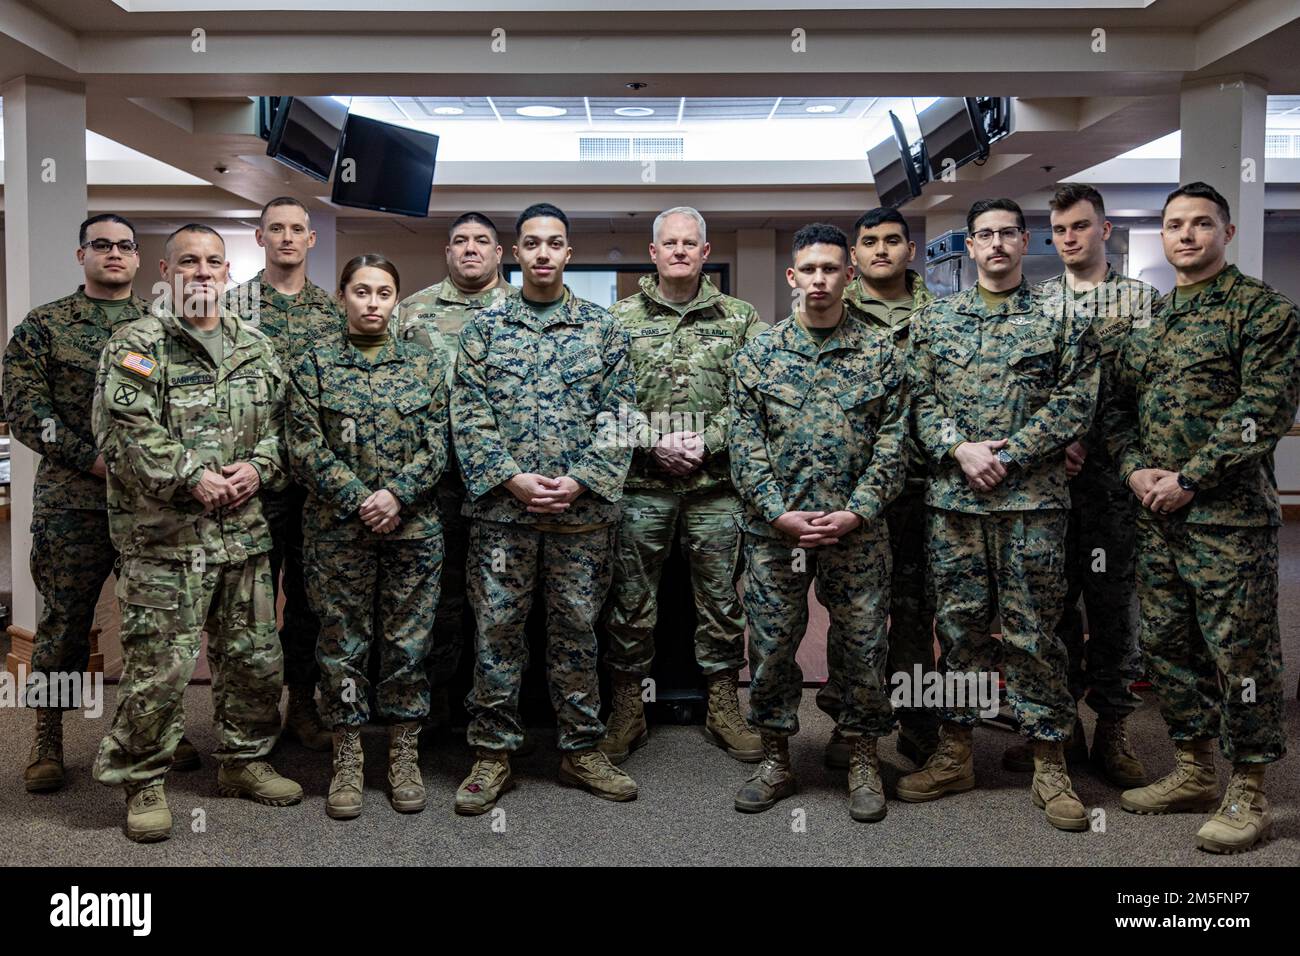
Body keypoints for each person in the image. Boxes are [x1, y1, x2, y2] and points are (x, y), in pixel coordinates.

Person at [92, 223, 301, 843]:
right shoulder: (136, 345)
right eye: (189, 262)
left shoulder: (256, 346)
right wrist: (193, 476)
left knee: (255, 659)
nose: (203, 272)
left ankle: (244, 762)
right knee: (159, 666)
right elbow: (126, 435)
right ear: (166, 272)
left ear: (227, 272)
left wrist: (260, 468)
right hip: (166, 539)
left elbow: (285, 428)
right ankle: (144, 779)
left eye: (214, 262)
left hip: (244, 535)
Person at [1106, 181, 1299, 854]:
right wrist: (1134, 469)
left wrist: (1191, 479)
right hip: (1157, 517)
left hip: (1229, 520)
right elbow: (1118, 413)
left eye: (1200, 223)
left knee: (1239, 655)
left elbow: (1265, 411)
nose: (1186, 234)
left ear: (1227, 233)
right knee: (1167, 648)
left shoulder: (1263, 312)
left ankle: (1248, 788)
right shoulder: (1152, 320)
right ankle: (1193, 768)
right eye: (1175, 224)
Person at [902, 198, 1099, 832]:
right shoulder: (937, 321)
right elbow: (918, 400)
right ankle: (955, 751)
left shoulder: (1062, 317)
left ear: (1025, 241)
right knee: (957, 632)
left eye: (1007, 234)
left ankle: (1050, 762)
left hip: (1031, 506)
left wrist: (1008, 454)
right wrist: (959, 449)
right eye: (983, 235)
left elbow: (1076, 404)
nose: (995, 245)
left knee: (1035, 633)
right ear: (968, 244)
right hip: (956, 504)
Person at [3, 214, 204, 791]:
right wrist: (92, 458)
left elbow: (185, 413)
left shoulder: (164, 328)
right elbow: (25, 411)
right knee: (65, 625)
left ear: (140, 259)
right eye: (101, 245)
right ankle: (47, 737)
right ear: (81, 254)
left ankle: (155, 726)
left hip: (150, 505)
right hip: (75, 503)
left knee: (153, 624)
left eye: (124, 246)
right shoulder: (45, 327)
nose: (113, 254)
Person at [451, 202, 637, 814]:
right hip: (504, 517)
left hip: (580, 519)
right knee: (497, 630)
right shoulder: (484, 329)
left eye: (553, 243)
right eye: (531, 243)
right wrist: (510, 478)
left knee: (577, 631)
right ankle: (493, 752)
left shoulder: (605, 329)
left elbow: (623, 414)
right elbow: (467, 415)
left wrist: (581, 480)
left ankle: (581, 747)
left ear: (568, 253)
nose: (542, 254)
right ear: (516, 251)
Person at [730, 223, 907, 822]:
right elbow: (744, 442)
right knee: (774, 647)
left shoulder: (882, 352)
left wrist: (858, 509)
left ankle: (861, 755)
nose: (820, 280)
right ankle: (777, 757)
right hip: (775, 533)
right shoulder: (760, 352)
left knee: (861, 647)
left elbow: (893, 443)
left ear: (849, 275)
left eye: (831, 269)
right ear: (792, 277)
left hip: (856, 532)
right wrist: (777, 512)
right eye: (809, 269)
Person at [1000, 183, 1156, 788]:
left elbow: (1153, 394)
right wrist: (1051, 441)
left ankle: (1113, 730)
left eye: (1081, 227)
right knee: (1049, 607)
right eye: (1060, 230)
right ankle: (1057, 729)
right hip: (1050, 481)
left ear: (1105, 230)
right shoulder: (1036, 305)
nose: (1069, 239)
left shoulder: (1141, 302)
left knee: (1115, 608)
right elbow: (1027, 393)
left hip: (1116, 481)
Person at [600, 205, 764, 764]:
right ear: (653, 252)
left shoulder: (740, 319)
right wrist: (654, 441)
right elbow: (600, 406)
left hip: (715, 487)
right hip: (641, 487)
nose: (679, 251)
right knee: (630, 600)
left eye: (689, 243)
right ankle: (627, 709)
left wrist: (706, 441)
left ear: (704, 251)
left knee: (720, 601)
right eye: (669, 243)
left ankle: (723, 705)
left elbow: (757, 399)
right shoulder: (616, 321)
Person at [289, 254, 449, 819]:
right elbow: (303, 445)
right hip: (338, 531)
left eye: (384, 292)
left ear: (396, 300)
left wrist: (397, 495)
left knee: (409, 645)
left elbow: (441, 444)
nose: (373, 302)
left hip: (413, 530)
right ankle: (349, 756)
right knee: (341, 644)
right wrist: (361, 498)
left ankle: (402, 754)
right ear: (342, 298)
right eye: (362, 291)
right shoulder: (314, 363)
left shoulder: (424, 364)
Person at [819, 206, 940, 771]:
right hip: (853, 492)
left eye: (893, 240)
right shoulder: (833, 312)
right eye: (869, 242)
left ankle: (918, 725)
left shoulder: (943, 317)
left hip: (924, 485)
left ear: (910, 250)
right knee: (852, 613)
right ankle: (850, 723)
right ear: (854, 256)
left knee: (916, 613)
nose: (882, 251)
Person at [225, 197, 341, 752]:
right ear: (260, 237)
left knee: (311, 600)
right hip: (252, 484)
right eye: (277, 229)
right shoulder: (231, 309)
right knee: (249, 605)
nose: (288, 238)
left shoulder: (331, 312)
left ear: (311, 240)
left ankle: (303, 703)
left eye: (298, 229)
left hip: (316, 484)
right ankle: (252, 715)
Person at [396, 212, 518, 731]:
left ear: (499, 252)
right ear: (448, 252)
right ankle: (438, 707)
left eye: (482, 241)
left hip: (505, 483)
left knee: (504, 597)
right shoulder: (412, 312)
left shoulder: (524, 308)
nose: (471, 249)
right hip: (435, 483)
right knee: (438, 599)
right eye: (460, 241)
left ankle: (503, 709)